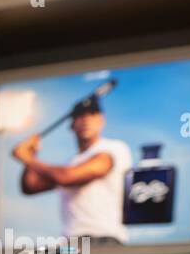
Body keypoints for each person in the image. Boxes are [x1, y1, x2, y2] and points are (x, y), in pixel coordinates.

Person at [11, 97, 133, 246]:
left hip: (104, 239)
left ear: (102, 120)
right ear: (72, 125)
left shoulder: (113, 149)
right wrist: (31, 154)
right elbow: (30, 187)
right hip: (71, 242)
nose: (86, 120)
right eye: (80, 116)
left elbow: (67, 177)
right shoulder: (69, 163)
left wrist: (27, 158)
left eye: (92, 115)